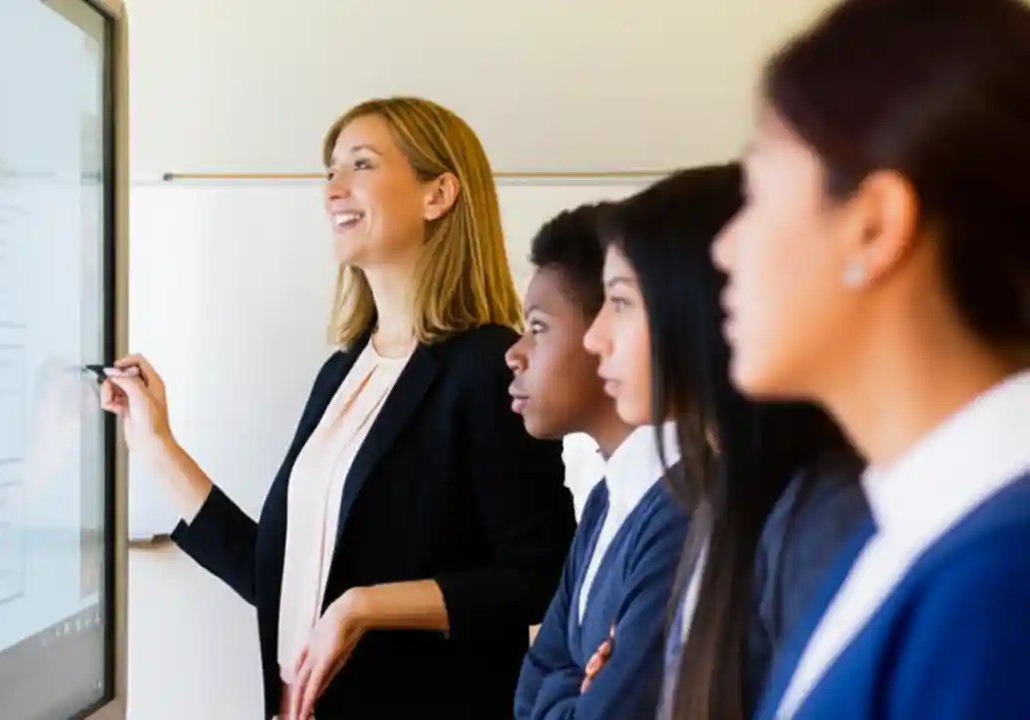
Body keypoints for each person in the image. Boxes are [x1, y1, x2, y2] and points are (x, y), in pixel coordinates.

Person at [99, 96, 576, 719]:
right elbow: (277, 578)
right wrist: (156, 444)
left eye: (362, 164)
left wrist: (365, 606)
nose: (332, 190)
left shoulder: (488, 366)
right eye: (330, 170)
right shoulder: (344, 372)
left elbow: (541, 575)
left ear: (438, 195)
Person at [713, 0, 1030, 717]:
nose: (725, 248)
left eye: (753, 195)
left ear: (874, 225)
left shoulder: (1000, 583)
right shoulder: (906, 529)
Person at [577, 165, 867, 720]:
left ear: (700, 300)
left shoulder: (817, 514)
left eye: (621, 303)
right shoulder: (713, 492)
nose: (595, 338)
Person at [508, 202, 689, 719]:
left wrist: (567, 690)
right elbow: (537, 679)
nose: (515, 353)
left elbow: (610, 710)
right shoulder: (606, 498)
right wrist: (572, 687)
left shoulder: (681, 509)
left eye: (538, 327)